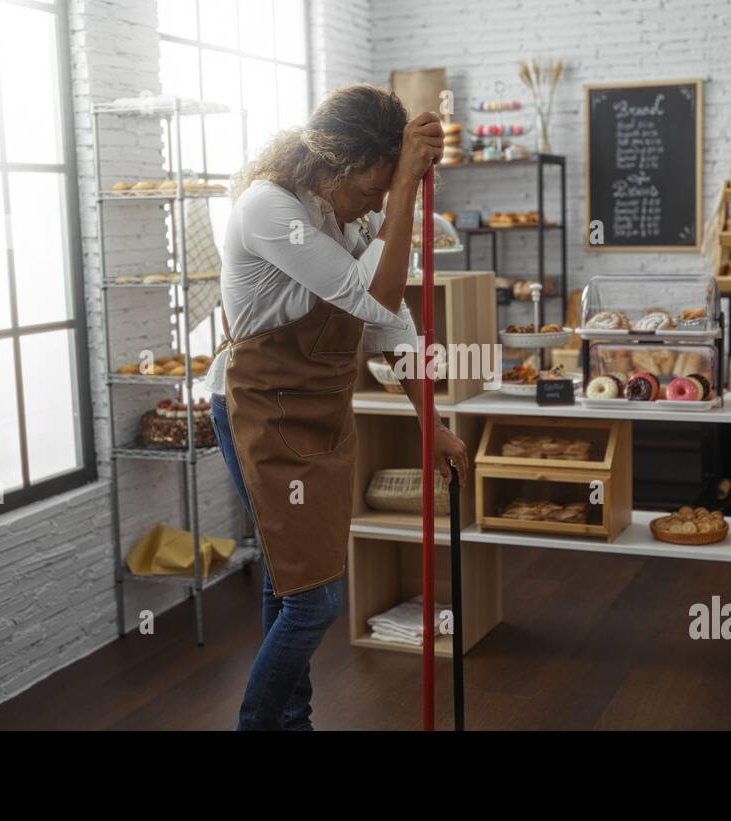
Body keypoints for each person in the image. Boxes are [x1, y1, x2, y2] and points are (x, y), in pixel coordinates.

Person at [203, 85, 469, 730]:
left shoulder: (346, 215)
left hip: (319, 412)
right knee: (316, 599)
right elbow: (372, 297)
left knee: (287, 583)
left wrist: (429, 422)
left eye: (384, 194)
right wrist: (405, 181)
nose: (377, 205)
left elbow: (391, 325)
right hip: (259, 412)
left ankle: (290, 727)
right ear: (335, 163)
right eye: (371, 189)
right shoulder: (271, 209)